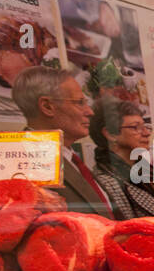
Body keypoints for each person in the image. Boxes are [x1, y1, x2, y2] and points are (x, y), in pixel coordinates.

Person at [12, 66, 114, 217]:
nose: (90, 112)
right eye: (80, 102)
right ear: (47, 106)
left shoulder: (68, 156)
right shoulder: (23, 163)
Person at [89, 99, 154, 218]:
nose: (146, 133)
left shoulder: (146, 172)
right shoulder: (107, 182)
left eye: (145, 126)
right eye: (135, 127)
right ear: (111, 134)